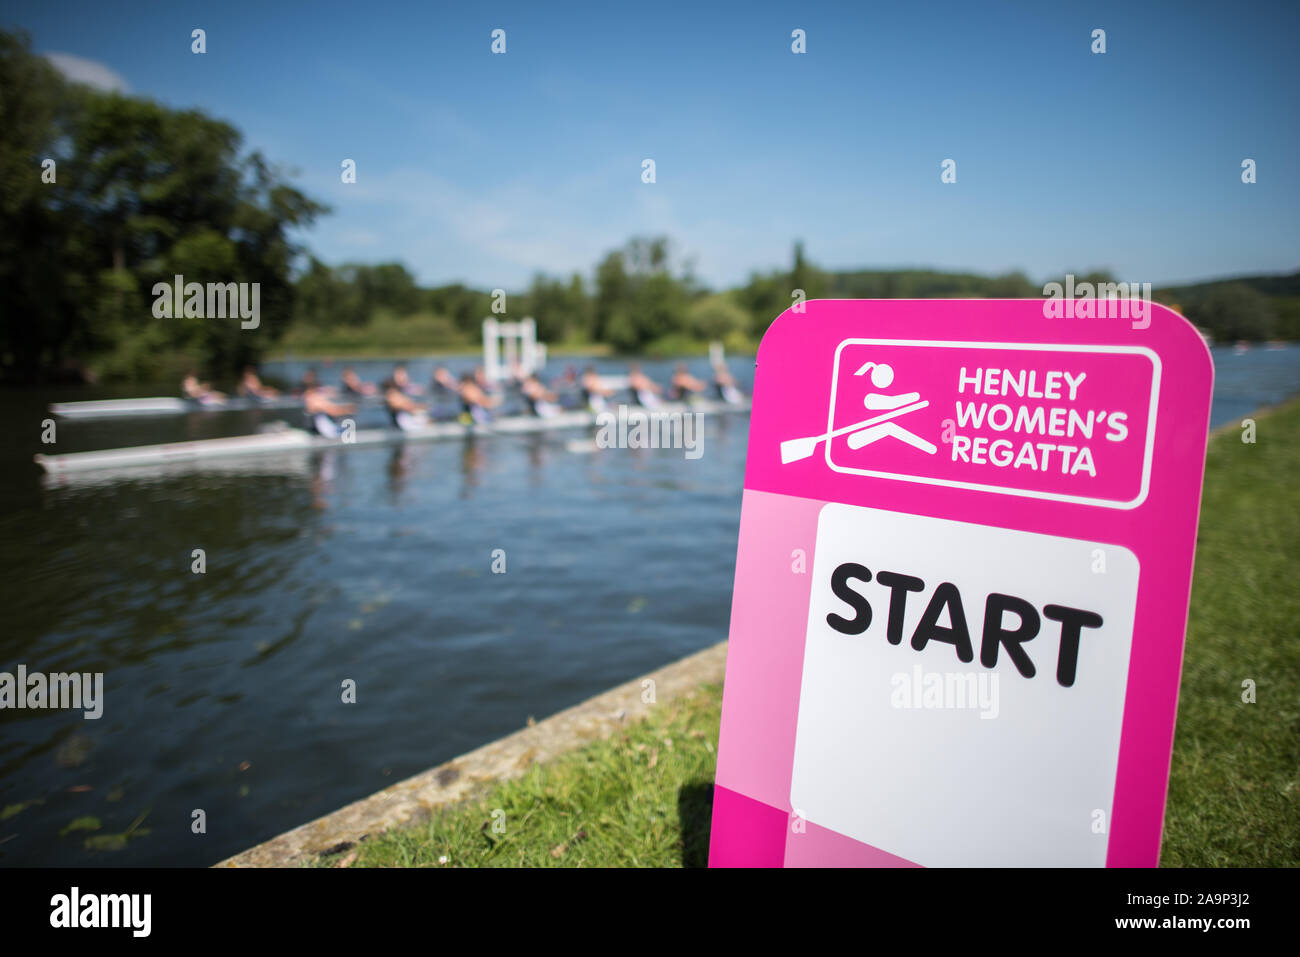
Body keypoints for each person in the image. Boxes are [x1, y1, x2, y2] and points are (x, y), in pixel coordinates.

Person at [381, 367, 430, 431]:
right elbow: (407, 407)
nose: (402, 378)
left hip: (408, 420)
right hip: (401, 423)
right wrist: (422, 406)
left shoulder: (406, 389)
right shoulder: (391, 392)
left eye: (403, 375)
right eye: (399, 375)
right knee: (425, 419)